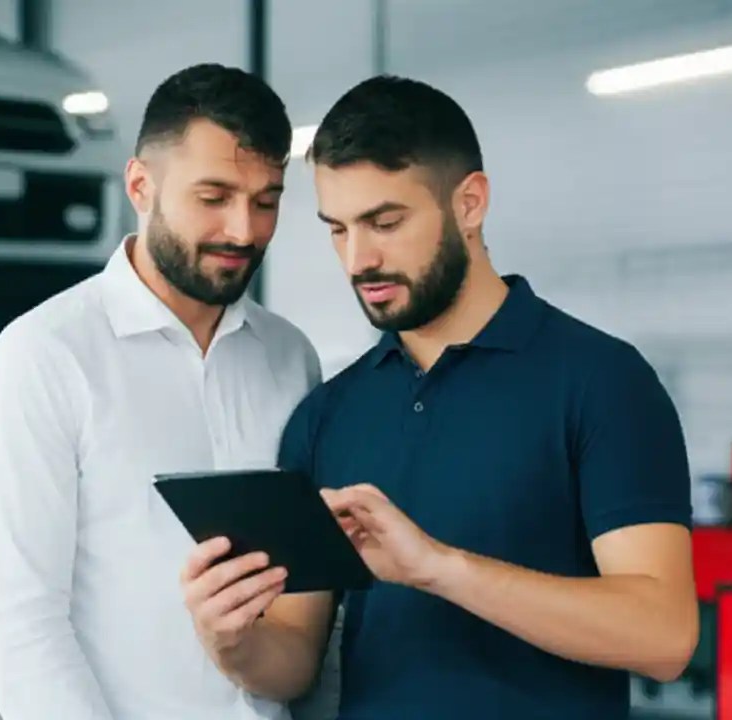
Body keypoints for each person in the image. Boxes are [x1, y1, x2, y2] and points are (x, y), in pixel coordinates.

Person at [179, 75, 698, 719]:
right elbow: (295, 658)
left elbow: (665, 637)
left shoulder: (603, 381)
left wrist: (439, 569)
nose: (358, 259)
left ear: (470, 204)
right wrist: (231, 642)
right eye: (337, 229)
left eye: (385, 221)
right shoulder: (327, 414)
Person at [0, 62, 322, 720]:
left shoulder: (290, 358)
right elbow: (24, 633)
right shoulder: (42, 359)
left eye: (266, 200)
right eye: (213, 197)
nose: (244, 230)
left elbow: (297, 598)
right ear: (140, 185)